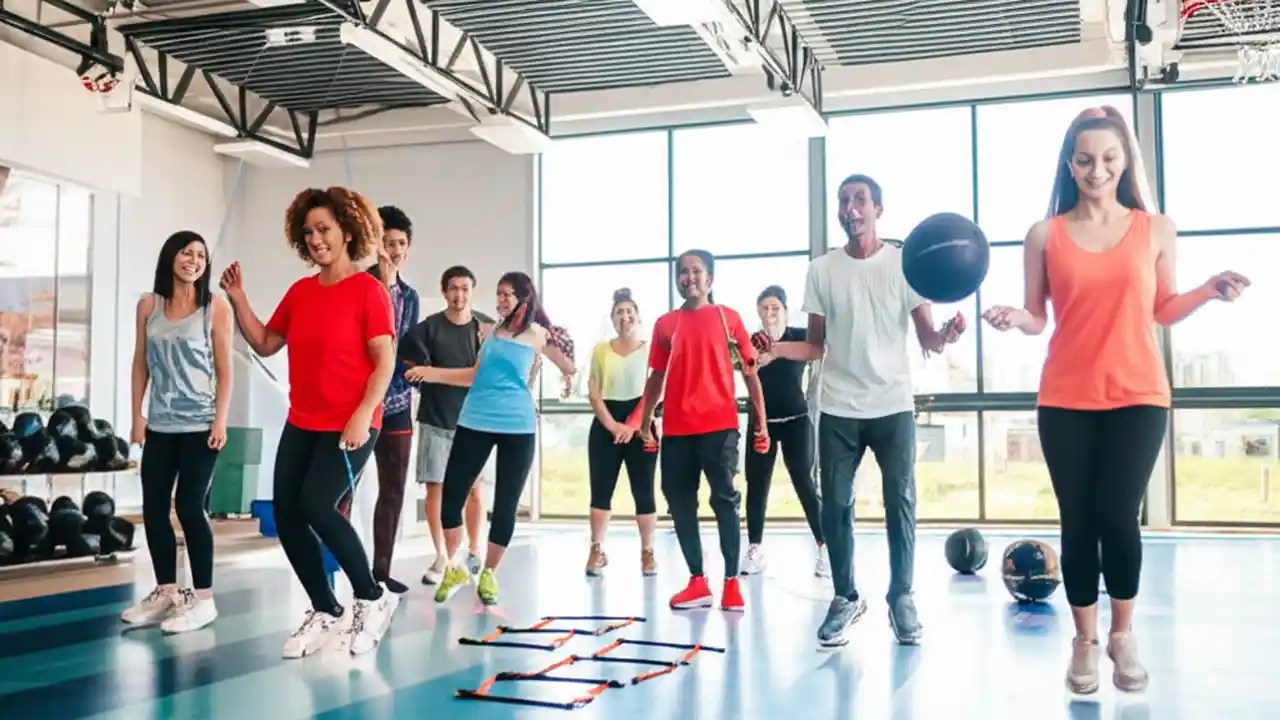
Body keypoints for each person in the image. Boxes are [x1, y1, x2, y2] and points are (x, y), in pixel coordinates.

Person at [981, 105, 1249, 694]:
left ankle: (1123, 634)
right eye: (1084, 160)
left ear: (1124, 161)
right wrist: (1012, 316)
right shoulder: (1043, 235)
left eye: (1108, 158)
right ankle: (1084, 641)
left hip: (1138, 394)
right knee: (1078, 520)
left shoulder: (1156, 228)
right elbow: (1036, 316)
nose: (1096, 169)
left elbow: (1162, 306)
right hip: (1065, 397)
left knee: (1117, 515)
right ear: (1069, 166)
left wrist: (1208, 290)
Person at [763, 173, 963, 648]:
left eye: (860, 200)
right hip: (838, 406)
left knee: (902, 502)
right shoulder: (822, 270)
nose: (851, 208)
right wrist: (773, 350)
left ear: (878, 208)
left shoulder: (904, 264)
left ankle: (902, 598)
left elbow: (928, 339)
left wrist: (947, 335)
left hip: (892, 403)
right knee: (835, 506)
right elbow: (815, 346)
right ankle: (846, 596)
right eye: (843, 201)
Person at [219, 186, 400, 658]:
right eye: (309, 232)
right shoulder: (300, 293)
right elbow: (264, 342)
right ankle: (325, 608)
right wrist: (238, 297)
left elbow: (384, 362)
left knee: (319, 506)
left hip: (352, 423)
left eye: (324, 229)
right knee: (287, 514)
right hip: (304, 420)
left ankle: (372, 598)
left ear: (347, 230)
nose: (316, 239)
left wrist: (363, 414)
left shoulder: (369, 290)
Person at [409, 272, 575, 606]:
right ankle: (454, 567)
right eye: (498, 294)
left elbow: (569, 366)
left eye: (507, 295)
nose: (499, 300)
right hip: (475, 421)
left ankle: (488, 573)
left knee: (506, 506)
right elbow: (473, 376)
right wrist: (432, 374)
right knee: (451, 499)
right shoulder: (493, 333)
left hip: (518, 426)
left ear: (524, 299)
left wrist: (568, 373)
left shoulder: (538, 335)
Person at [636, 249, 768, 612]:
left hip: (719, 428)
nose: (689, 277)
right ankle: (697, 580)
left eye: (696, 271)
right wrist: (645, 420)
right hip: (677, 430)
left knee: (725, 501)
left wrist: (762, 420)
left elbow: (750, 373)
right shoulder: (666, 325)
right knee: (679, 504)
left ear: (709, 278)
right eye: (682, 272)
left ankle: (731, 584)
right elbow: (657, 376)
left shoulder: (729, 319)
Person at [123, 230, 232, 633]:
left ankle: (202, 598)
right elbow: (140, 361)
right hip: (161, 424)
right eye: (186, 252)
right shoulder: (148, 305)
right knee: (153, 506)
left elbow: (225, 369)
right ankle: (167, 591)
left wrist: (220, 419)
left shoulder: (214, 309)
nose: (193, 259)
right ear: (170, 256)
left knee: (189, 507)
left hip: (201, 424)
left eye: (201, 255)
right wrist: (137, 414)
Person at [398, 265, 492, 585]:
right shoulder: (428, 328)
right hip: (435, 420)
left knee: (473, 491)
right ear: (444, 292)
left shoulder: (483, 329)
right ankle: (442, 557)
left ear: (472, 290)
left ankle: (474, 551)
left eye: (465, 288)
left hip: (473, 423)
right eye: (453, 288)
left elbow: (486, 375)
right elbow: (408, 361)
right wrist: (417, 374)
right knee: (435, 490)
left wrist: (434, 374)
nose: (459, 295)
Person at [741, 285, 827, 579]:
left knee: (804, 482)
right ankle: (754, 547)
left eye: (775, 308)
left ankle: (824, 547)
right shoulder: (751, 342)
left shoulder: (800, 336)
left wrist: (775, 354)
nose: (769, 313)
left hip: (796, 421)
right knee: (757, 484)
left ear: (785, 311)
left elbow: (822, 347)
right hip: (761, 423)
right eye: (764, 308)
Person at [361, 205, 422, 595]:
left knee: (394, 488)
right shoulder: (360, 285)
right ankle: (342, 567)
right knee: (341, 489)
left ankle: (381, 570)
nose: (395, 250)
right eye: (388, 243)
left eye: (401, 243)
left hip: (397, 402)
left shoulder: (412, 296)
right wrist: (382, 285)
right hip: (358, 403)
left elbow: (405, 344)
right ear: (375, 245)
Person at [584, 287, 658, 577]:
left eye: (629, 312)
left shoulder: (651, 349)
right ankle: (597, 549)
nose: (624, 317)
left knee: (644, 489)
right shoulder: (601, 350)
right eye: (619, 313)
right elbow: (593, 391)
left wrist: (634, 425)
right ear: (612, 319)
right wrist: (613, 425)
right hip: (606, 425)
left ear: (638, 317)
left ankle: (647, 552)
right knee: (601, 490)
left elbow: (656, 389)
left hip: (643, 424)